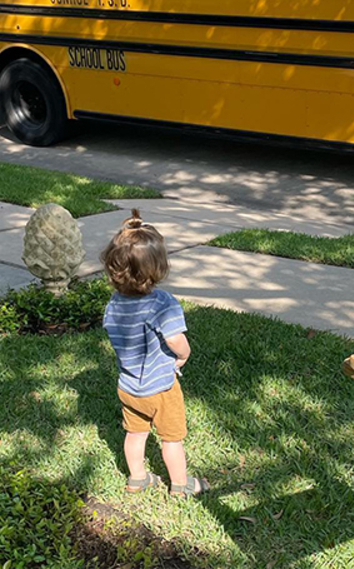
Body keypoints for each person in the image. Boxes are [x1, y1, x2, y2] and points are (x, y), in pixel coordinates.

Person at [100, 210, 208, 497]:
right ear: (159, 267)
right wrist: (184, 355)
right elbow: (175, 340)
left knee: (135, 433)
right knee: (172, 439)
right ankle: (182, 485)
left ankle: (137, 478)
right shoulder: (162, 303)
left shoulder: (114, 304)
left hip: (129, 386)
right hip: (161, 388)